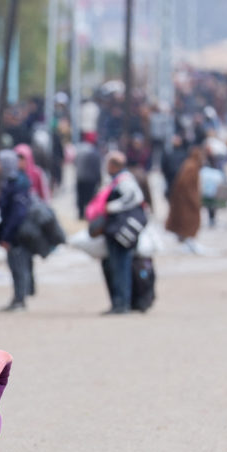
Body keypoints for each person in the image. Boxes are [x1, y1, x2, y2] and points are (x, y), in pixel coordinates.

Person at [101, 152, 145, 315]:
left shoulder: (125, 180)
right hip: (115, 230)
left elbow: (134, 198)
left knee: (122, 266)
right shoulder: (115, 181)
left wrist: (112, 207)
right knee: (115, 266)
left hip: (123, 231)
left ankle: (123, 303)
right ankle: (118, 302)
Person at [0, 149, 33, 311]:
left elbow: (17, 212)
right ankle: (17, 298)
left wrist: (7, 236)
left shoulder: (17, 182)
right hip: (13, 230)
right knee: (15, 264)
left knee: (18, 265)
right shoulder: (9, 181)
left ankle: (20, 299)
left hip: (17, 232)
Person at [166, 146, 204, 246]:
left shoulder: (190, 164)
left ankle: (186, 238)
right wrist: (194, 199)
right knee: (188, 220)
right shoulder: (191, 166)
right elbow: (185, 183)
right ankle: (186, 238)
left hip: (184, 198)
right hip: (186, 199)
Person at [73, 132, 102, 221]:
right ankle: (88, 214)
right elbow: (97, 167)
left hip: (80, 177)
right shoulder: (94, 152)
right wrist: (99, 179)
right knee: (89, 198)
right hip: (90, 179)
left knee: (81, 197)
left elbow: (75, 163)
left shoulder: (79, 150)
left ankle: (81, 214)